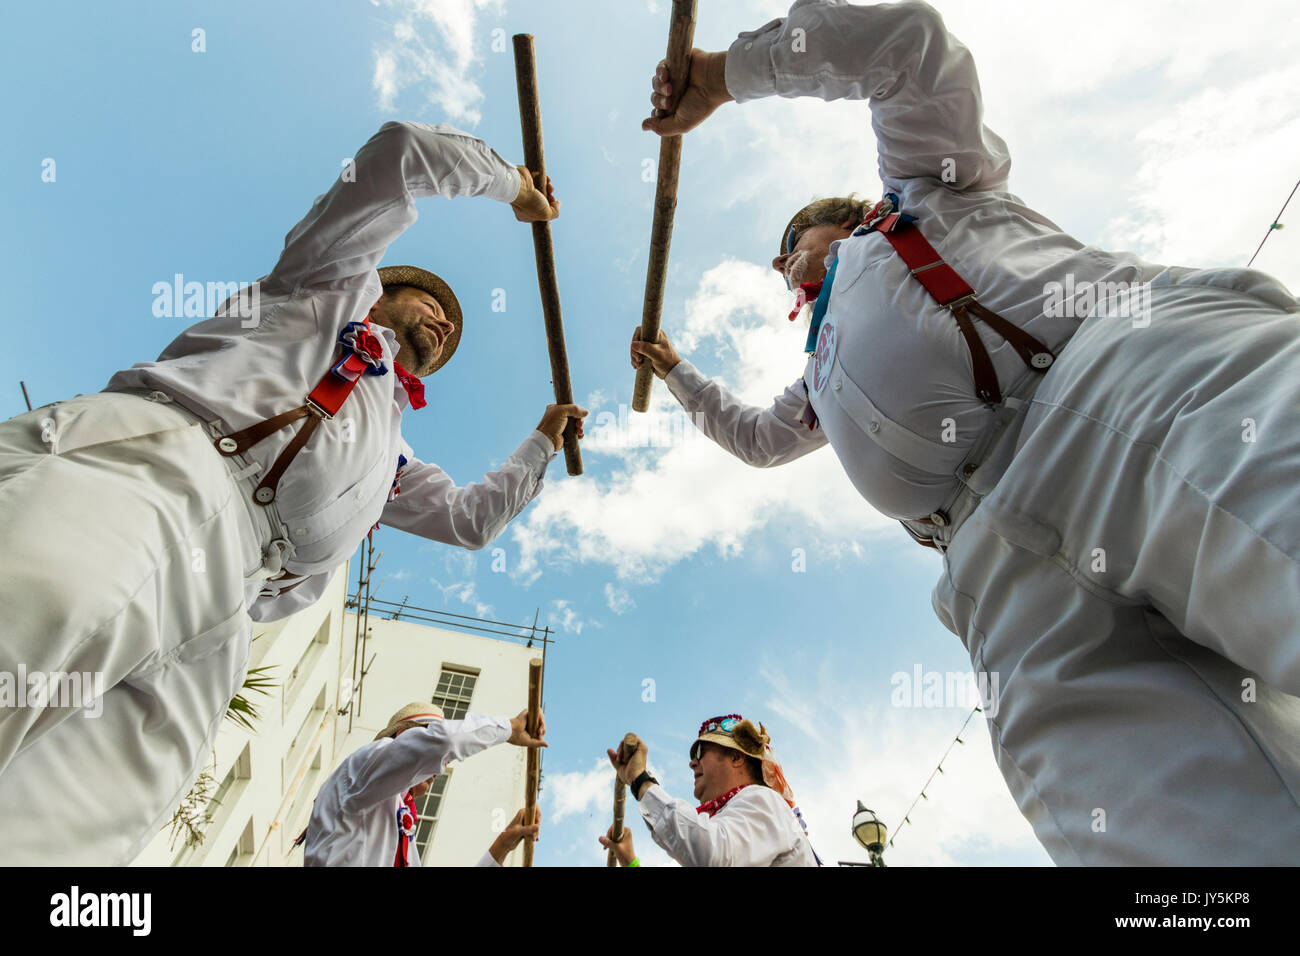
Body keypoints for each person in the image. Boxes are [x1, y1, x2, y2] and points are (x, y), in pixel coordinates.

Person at [630, 0, 1300, 864]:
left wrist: (721, 76)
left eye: (790, 241)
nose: (780, 263)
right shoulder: (818, 375)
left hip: (1119, 390)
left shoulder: (928, 185)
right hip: (991, 563)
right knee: (1154, 833)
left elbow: (904, 44)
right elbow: (757, 439)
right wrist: (678, 370)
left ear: (838, 221)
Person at [0, 120, 585, 865]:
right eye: (432, 304)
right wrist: (515, 186)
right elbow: (400, 152)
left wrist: (539, 439)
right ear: (386, 290)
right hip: (165, 476)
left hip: (225, 616)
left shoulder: (390, 457)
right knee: (25, 630)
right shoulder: (326, 283)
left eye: (453, 330)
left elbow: (471, 521)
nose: (443, 321)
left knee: (75, 828)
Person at [303, 702, 545, 867]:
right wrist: (510, 729)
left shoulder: (399, 832)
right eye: (428, 735)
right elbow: (445, 742)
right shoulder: (363, 765)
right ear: (403, 737)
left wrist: (503, 844)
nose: (444, 765)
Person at [600, 714, 818, 867]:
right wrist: (630, 862)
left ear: (736, 757)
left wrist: (640, 781)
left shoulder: (763, 800)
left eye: (700, 751)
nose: (692, 763)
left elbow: (714, 856)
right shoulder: (740, 822)